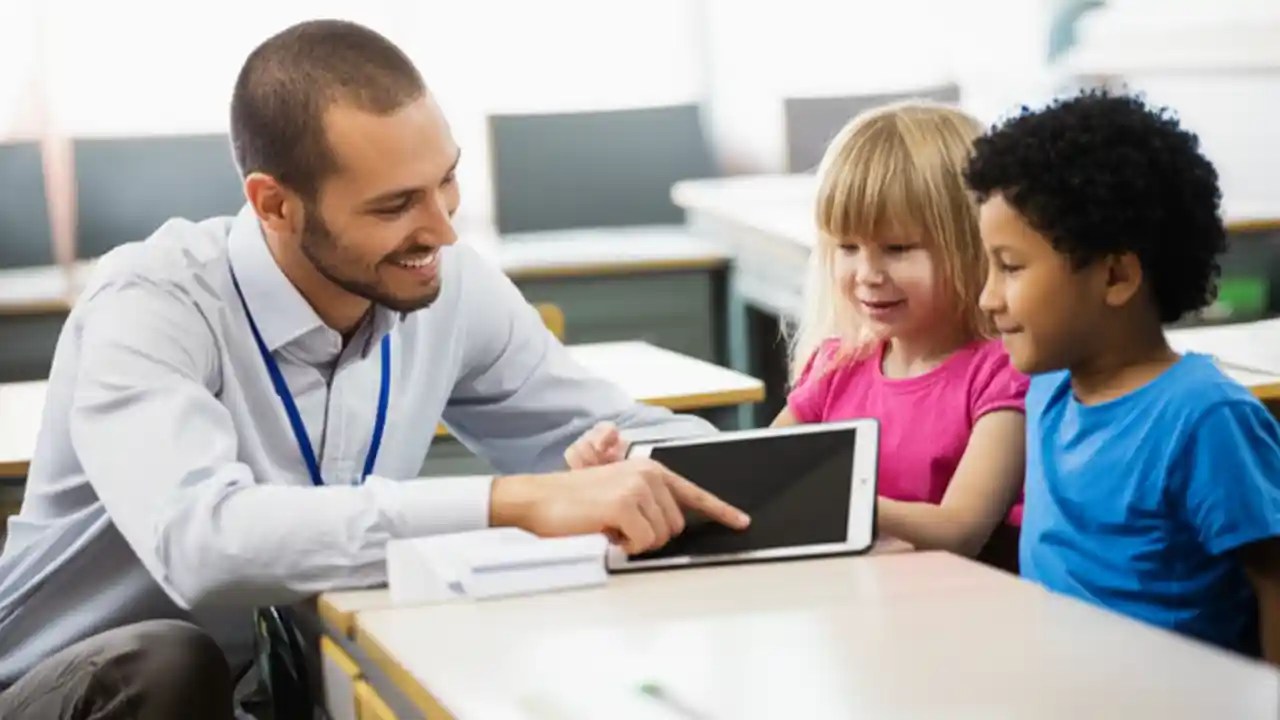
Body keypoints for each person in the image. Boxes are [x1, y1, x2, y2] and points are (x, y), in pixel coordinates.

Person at [0, 19, 748, 716]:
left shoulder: (442, 280)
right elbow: (206, 547)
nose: (444, 229)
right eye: (395, 205)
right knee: (166, 663)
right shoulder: (150, 303)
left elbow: (608, 433)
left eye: (447, 181)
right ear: (275, 205)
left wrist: (821, 483)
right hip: (62, 687)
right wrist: (512, 502)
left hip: (257, 690)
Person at [571, 102, 1028, 560]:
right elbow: (751, 479)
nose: (867, 272)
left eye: (898, 248)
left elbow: (959, 530)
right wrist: (635, 468)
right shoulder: (838, 365)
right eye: (847, 247)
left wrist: (832, 495)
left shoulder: (1004, 375)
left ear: (973, 244)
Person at [967, 89, 1280, 662]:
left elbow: (1274, 580)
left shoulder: (1205, 419)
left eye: (1009, 268)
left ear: (1115, 276)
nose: (988, 297)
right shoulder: (1046, 391)